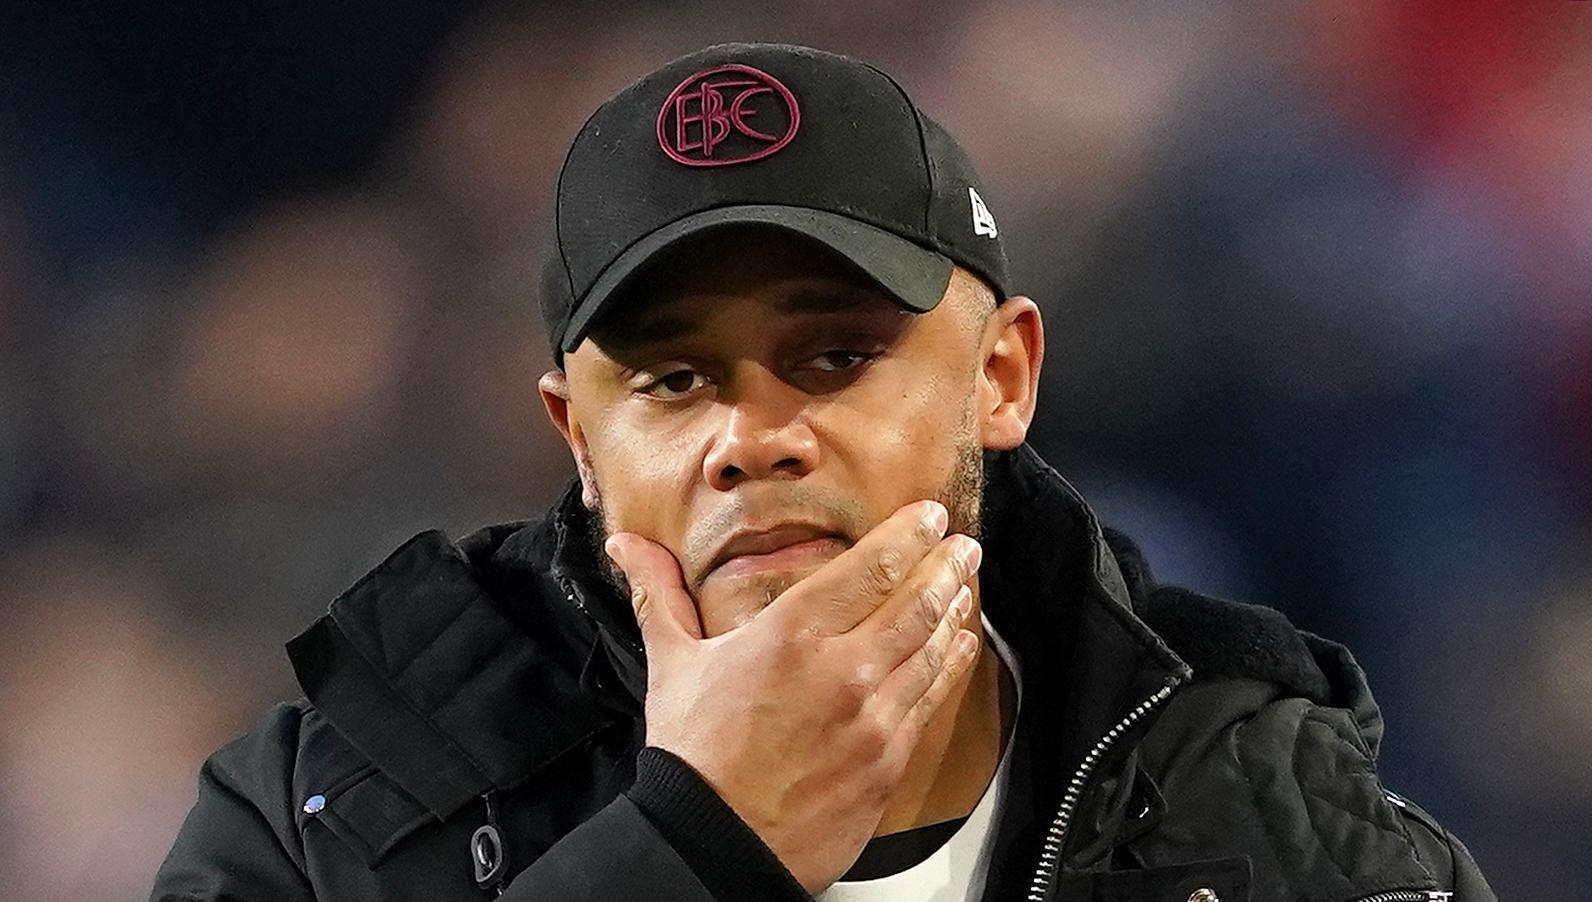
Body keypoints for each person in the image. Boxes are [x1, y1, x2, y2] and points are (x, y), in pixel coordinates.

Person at [151, 42, 1495, 902]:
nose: (753, 436)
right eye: (673, 380)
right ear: (577, 440)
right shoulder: (332, 814)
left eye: (838, 357)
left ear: (1002, 377)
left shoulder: (1272, 817)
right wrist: (688, 849)